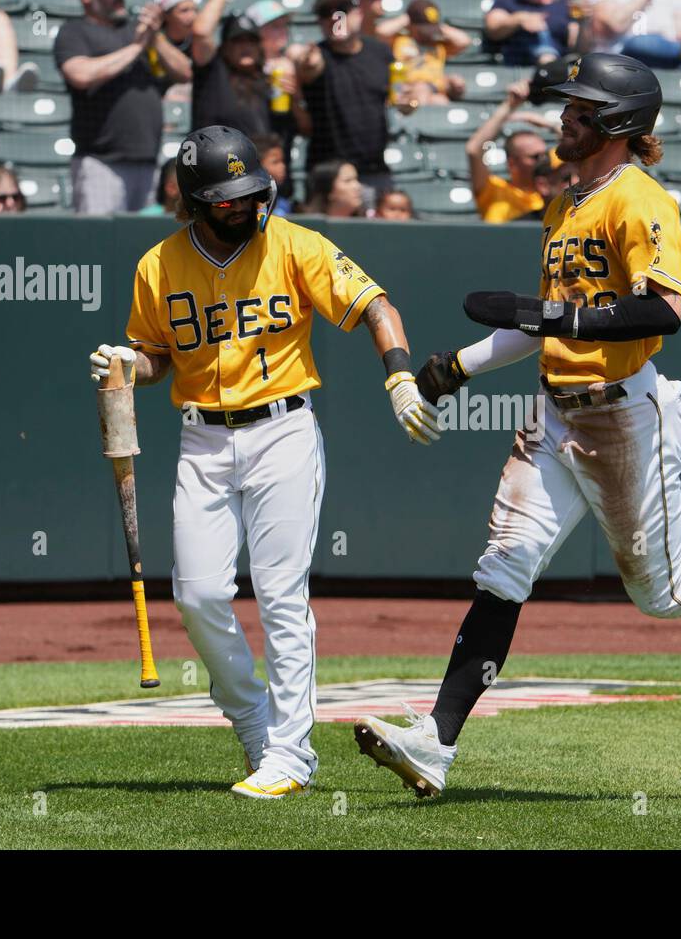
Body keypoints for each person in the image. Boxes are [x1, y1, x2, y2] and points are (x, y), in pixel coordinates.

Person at [351, 53, 681, 798]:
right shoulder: (565, 202)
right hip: (556, 410)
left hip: (627, 413)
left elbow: (663, 310)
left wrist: (560, 315)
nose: (564, 118)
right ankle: (437, 740)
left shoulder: (639, 198)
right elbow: (544, 321)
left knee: (662, 592)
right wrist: (456, 367)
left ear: (618, 123)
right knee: (505, 567)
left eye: (580, 110)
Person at [88, 125, 438, 800]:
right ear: (195, 203)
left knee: (281, 594)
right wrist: (134, 362)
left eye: (252, 194)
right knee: (196, 595)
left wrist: (399, 377)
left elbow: (375, 305)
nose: (246, 207)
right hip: (203, 439)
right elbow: (156, 355)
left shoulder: (296, 243)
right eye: (228, 200)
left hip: (284, 432)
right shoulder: (157, 266)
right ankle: (254, 721)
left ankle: (290, 754)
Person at [55, 0, 192, 214]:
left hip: (148, 161)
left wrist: (155, 36)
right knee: (99, 245)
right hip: (101, 162)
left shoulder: (137, 31)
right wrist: (137, 47)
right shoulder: (74, 31)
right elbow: (80, 74)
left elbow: (184, 72)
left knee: (142, 245)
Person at [296, 0, 394, 196]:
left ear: (358, 12)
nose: (334, 18)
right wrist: (307, 64)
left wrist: (410, 102)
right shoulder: (317, 55)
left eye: (341, 10)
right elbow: (308, 68)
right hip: (326, 175)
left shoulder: (381, 53)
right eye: (325, 13)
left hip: (374, 171)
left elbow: (401, 98)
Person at [466, 80, 550, 223]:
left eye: (545, 155)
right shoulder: (494, 190)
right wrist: (510, 105)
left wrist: (551, 126)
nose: (544, 160)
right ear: (512, 163)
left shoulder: (552, 192)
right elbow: (474, 149)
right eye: (535, 157)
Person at [243, 0, 312, 151]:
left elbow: (306, 126)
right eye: (274, 26)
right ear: (256, 32)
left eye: (284, 25)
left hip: (281, 148)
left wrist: (296, 97)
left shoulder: (291, 62)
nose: (283, 30)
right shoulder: (242, 67)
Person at [389, 0, 470, 108]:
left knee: (440, 101)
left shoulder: (439, 46)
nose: (427, 33)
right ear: (411, 25)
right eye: (423, 29)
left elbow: (464, 40)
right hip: (404, 91)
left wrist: (438, 26)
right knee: (423, 90)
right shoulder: (399, 40)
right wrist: (408, 18)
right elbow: (382, 31)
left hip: (433, 90)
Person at [485, 0, 575, 67]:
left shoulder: (564, 4)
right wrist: (519, 19)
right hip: (519, 64)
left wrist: (586, 23)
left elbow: (577, 45)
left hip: (559, 60)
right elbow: (493, 29)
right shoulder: (507, 1)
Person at [151, 0, 201, 102]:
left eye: (195, 10)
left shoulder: (199, 40)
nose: (192, 16)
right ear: (166, 15)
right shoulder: (152, 41)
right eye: (184, 11)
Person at [522, 148, 578, 220]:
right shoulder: (522, 227)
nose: (577, 182)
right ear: (543, 185)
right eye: (566, 178)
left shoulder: (592, 220)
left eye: (580, 175)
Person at [299, 159, 364, 217]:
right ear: (328, 189)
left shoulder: (368, 223)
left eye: (356, 179)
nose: (358, 186)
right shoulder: (305, 228)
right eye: (347, 181)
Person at [252, 134, 295, 217]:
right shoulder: (248, 206)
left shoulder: (283, 204)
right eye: (275, 162)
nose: (283, 166)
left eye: (282, 161)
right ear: (257, 166)